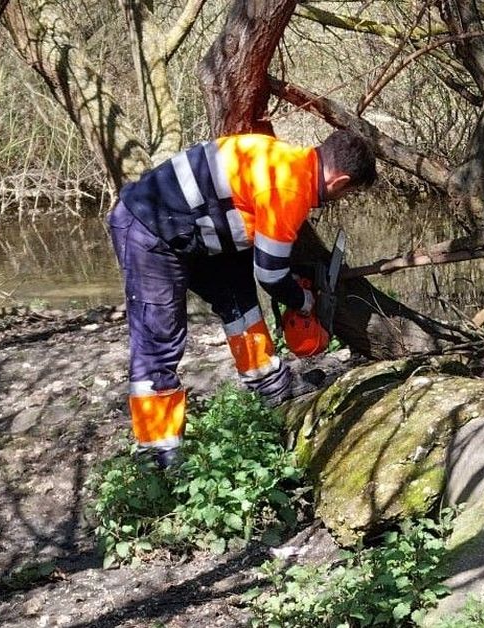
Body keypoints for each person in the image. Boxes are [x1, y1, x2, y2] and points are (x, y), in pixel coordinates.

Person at [107, 129, 377, 469]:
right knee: (158, 337)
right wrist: (304, 301)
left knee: (240, 301)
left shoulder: (287, 160)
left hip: (201, 229)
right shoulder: (289, 187)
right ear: (340, 181)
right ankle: (157, 451)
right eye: (347, 194)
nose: (341, 199)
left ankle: (269, 384)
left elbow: (266, 256)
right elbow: (271, 275)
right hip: (149, 227)